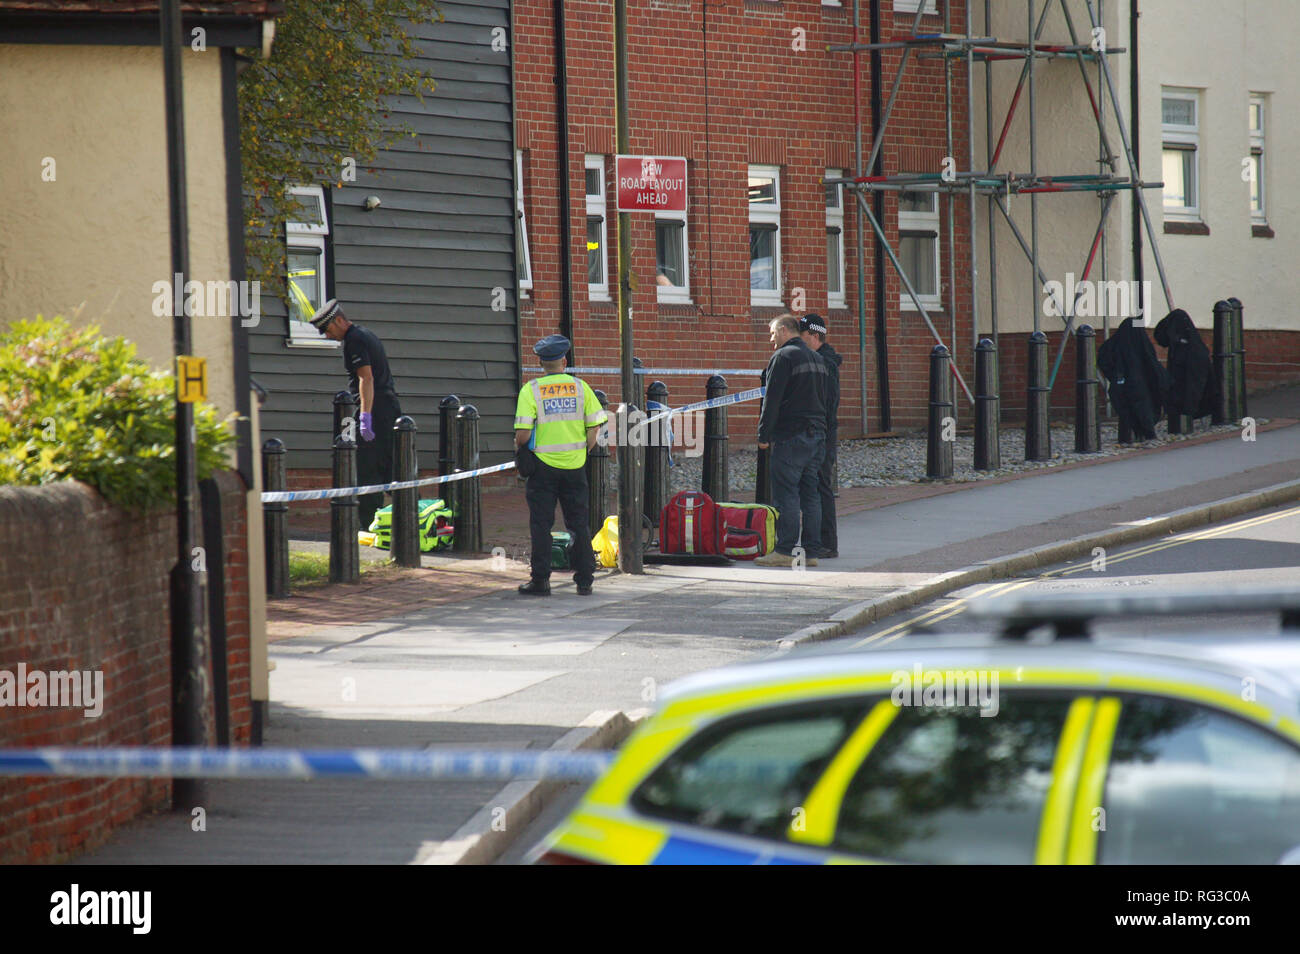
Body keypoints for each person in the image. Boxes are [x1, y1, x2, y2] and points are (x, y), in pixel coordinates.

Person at [514, 334, 608, 596]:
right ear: (564, 361)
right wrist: (581, 451)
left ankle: (541, 581)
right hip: (575, 467)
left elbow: (522, 434)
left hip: (542, 468)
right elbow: (595, 427)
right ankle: (585, 580)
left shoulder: (531, 390)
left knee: (541, 524)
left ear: (542, 363)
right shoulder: (581, 387)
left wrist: (518, 445)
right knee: (578, 523)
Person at [311, 299, 402, 530]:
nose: (327, 336)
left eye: (327, 329)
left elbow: (366, 378)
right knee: (392, 466)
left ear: (339, 320)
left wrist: (365, 417)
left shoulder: (354, 339)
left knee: (367, 468)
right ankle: (407, 519)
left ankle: (370, 526)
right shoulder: (365, 333)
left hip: (376, 408)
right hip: (387, 406)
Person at [755, 314, 829, 567]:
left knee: (786, 494)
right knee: (811, 495)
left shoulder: (783, 357)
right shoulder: (817, 358)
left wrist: (763, 436)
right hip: (817, 435)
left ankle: (785, 551)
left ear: (785, 330)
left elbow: (772, 400)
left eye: (773, 333)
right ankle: (812, 552)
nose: (771, 339)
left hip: (791, 436)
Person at [800, 314, 841, 558]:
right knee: (815, 486)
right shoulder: (820, 361)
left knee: (821, 485)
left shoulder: (826, 365)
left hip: (822, 434)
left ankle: (826, 543)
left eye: (803, 338)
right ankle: (818, 540)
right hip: (819, 433)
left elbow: (826, 404)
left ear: (815, 337)